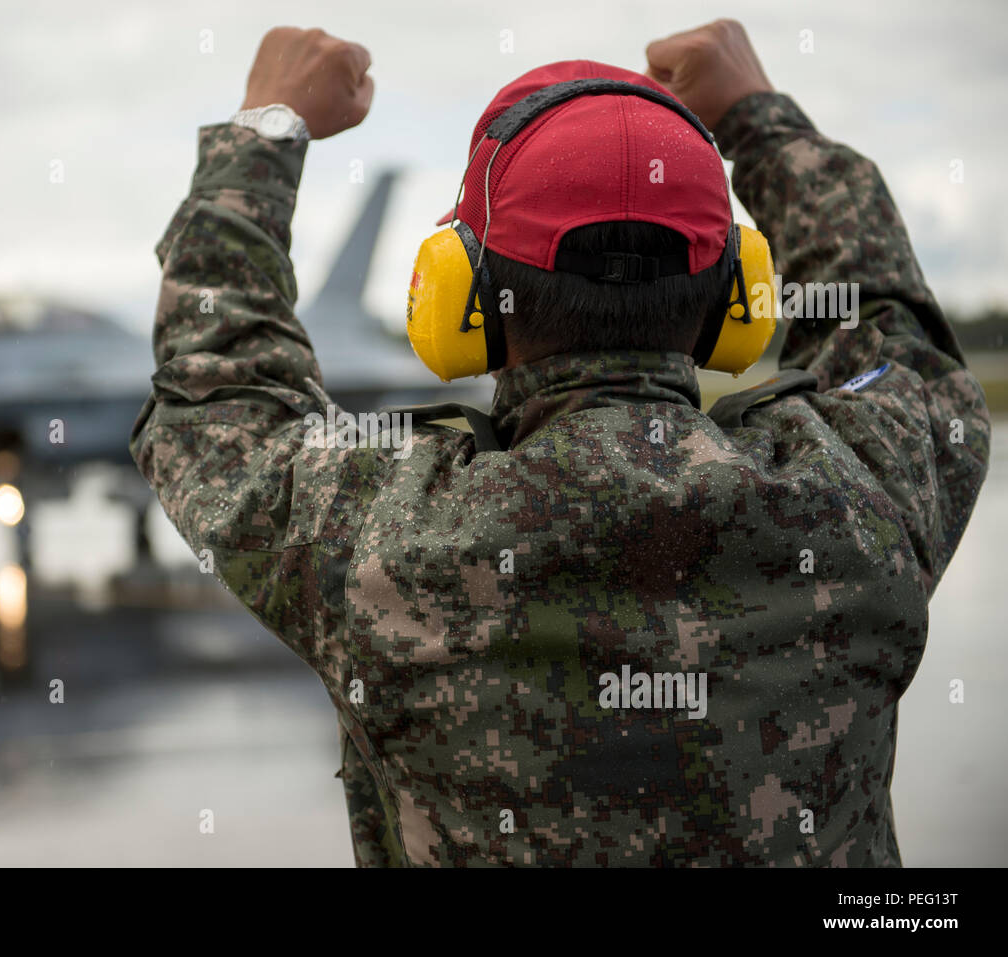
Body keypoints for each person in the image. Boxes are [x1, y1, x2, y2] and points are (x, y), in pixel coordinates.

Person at [130, 20, 990, 866]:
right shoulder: (866, 494)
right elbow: (891, 331)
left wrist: (266, 129)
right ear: (739, 298)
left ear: (462, 300)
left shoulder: (375, 540)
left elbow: (217, 395)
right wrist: (763, 118)